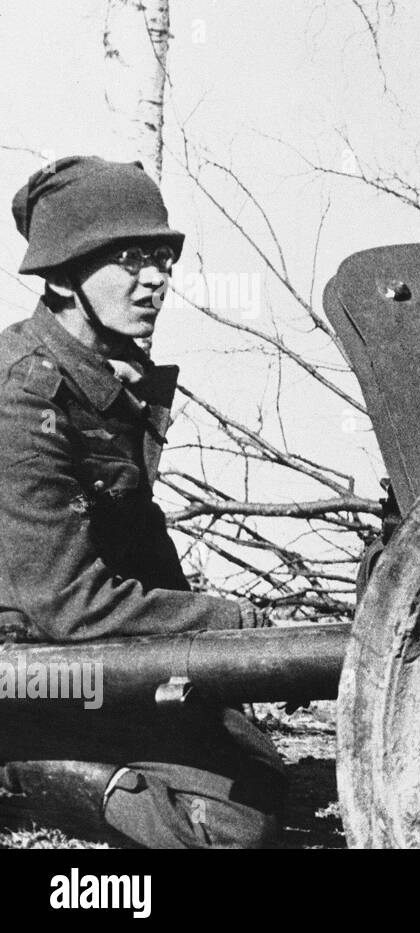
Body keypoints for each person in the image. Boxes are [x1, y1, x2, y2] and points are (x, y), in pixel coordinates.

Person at [0, 156, 286, 847]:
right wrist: (227, 621)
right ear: (64, 275)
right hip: (29, 668)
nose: (155, 278)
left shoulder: (102, 380)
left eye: (161, 257)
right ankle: (29, 772)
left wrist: (224, 652)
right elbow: (67, 605)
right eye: (130, 259)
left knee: (259, 777)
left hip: (78, 660)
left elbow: (141, 550)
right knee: (225, 829)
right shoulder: (23, 396)